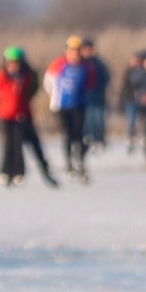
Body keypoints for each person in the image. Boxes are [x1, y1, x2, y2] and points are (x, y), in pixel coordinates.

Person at [0, 46, 57, 187]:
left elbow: (33, 90)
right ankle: (5, 172)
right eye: (11, 63)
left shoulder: (28, 76)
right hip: (4, 116)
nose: (13, 66)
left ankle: (19, 172)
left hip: (22, 115)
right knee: (7, 144)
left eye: (16, 63)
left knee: (19, 143)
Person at [44, 35, 94, 183]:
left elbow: (91, 84)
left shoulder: (86, 66)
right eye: (72, 51)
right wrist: (55, 97)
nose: (75, 54)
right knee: (67, 135)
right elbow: (48, 83)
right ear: (66, 51)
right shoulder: (58, 64)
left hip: (79, 105)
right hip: (61, 106)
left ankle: (79, 162)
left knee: (79, 135)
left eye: (77, 51)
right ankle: (69, 165)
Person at [81, 39, 110, 152]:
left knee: (98, 120)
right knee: (87, 121)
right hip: (84, 99)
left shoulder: (99, 63)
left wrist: (100, 89)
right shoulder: (80, 63)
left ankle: (99, 140)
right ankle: (87, 139)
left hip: (98, 97)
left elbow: (106, 78)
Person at [121, 50, 146, 155]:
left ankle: (144, 136)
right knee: (131, 121)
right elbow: (124, 87)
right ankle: (130, 137)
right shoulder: (128, 72)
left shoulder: (145, 72)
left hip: (141, 101)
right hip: (130, 100)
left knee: (142, 120)